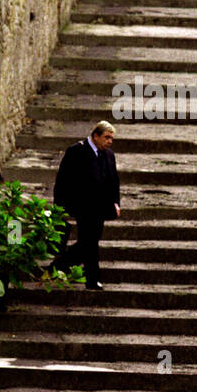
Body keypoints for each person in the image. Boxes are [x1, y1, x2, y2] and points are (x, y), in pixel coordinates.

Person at [51, 120, 120, 290]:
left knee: (89, 242)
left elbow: (113, 181)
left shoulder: (109, 154)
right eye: (107, 137)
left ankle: (59, 266)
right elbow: (63, 180)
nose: (110, 141)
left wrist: (116, 203)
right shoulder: (77, 151)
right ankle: (92, 279)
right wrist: (60, 206)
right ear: (95, 136)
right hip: (83, 206)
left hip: (101, 207)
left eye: (112, 138)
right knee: (90, 243)